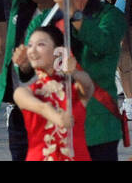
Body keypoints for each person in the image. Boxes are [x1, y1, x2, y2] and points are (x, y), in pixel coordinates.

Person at [10, 24, 95, 161]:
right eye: (30, 45)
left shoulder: (73, 89)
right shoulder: (23, 93)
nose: (32, 51)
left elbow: (89, 85)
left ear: (58, 51)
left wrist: (73, 72)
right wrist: (58, 118)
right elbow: (42, 107)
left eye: (40, 44)